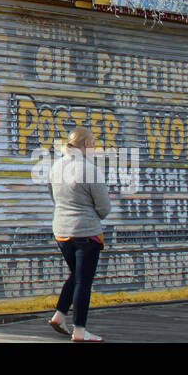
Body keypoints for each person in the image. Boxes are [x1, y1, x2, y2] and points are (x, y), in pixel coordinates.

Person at [47, 126, 111, 342]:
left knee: (76, 275)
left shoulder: (56, 167)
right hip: (86, 232)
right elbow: (104, 207)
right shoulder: (90, 169)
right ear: (87, 144)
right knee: (83, 281)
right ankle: (80, 331)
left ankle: (59, 316)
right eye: (93, 144)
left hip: (61, 231)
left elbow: (54, 197)